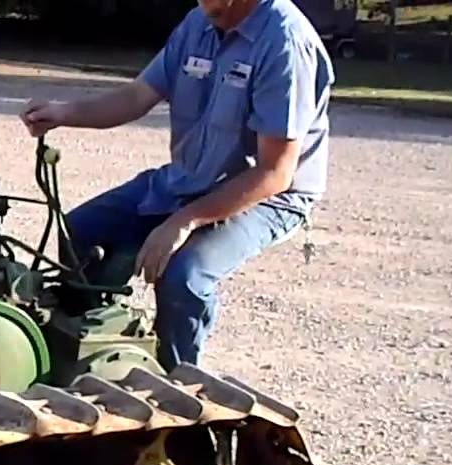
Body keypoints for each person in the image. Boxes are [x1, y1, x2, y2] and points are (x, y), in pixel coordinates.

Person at [20, 0, 333, 371]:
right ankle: (84, 352)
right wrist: (63, 113)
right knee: (81, 231)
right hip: (189, 178)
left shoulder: (285, 41)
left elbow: (275, 173)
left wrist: (183, 221)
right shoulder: (198, 24)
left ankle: (178, 383)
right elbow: (137, 96)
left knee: (183, 277)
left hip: (265, 197)